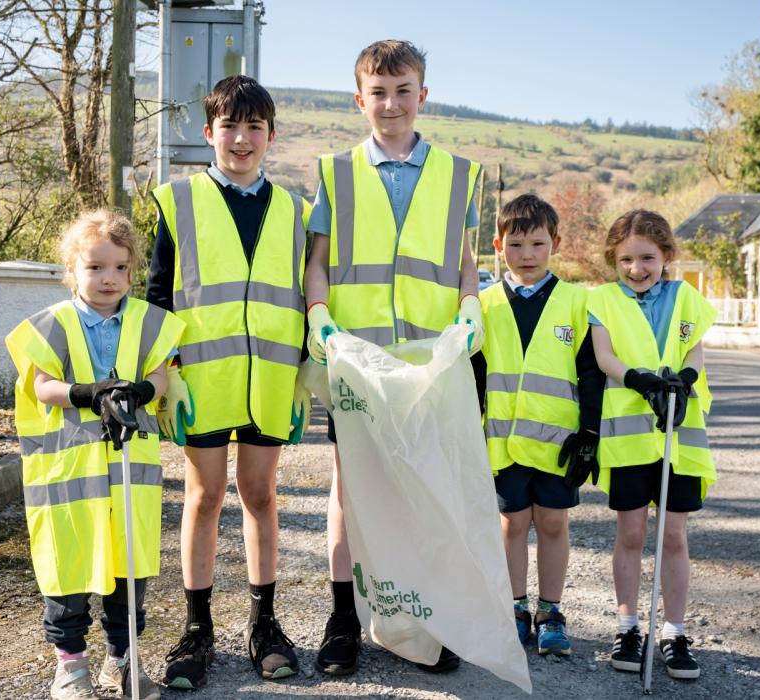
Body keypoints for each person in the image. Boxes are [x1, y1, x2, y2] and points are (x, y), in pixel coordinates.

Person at [302, 39, 483, 676]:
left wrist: (471, 307)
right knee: (352, 495)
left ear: (423, 96)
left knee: (422, 491)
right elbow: (318, 262)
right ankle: (344, 620)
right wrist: (317, 315)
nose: (391, 102)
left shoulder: (460, 174)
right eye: (378, 92)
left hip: (428, 365)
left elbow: (465, 264)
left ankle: (422, 622)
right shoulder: (334, 171)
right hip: (355, 363)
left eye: (404, 90)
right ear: (360, 100)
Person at [145, 74, 311, 689]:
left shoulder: (296, 210)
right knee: (205, 497)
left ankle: (265, 624)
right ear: (209, 132)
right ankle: (197, 631)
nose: (241, 140)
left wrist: (304, 368)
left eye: (255, 128)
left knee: (262, 496)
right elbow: (157, 293)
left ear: (270, 135)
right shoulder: (178, 200)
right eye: (230, 127)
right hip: (202, 380)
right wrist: (162, 372)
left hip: (270, 380)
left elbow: (303, 293)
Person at [5, 209, 185, 700]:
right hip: (67, 473)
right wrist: (89, 393)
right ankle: (70, 667)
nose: (110, 278)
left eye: (121, 268)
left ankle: (122, 662)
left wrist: (146, 389)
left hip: (130, 471)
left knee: (130, 570)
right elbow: (42, 387)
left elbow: (162, 373)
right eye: (96, 267)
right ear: (72, 271)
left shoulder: (151, 323)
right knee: (67, 569)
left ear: (133, 270)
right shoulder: (49, 326)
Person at [586, 209, 717, 681]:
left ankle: (675, 631)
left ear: (666, 256)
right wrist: (638, 379)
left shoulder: (687, 297)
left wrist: (684, 379)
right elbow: (604, 356)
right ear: (613, 260)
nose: (636, 269)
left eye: (647, 258)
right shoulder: (602, 299)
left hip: (679, 437)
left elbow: (694, 352)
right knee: (632, 534)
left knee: (674, 536)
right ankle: (627, 626)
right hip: (629, 440)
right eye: (625, 260)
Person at [472, 194, 604, 658]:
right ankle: (514, 609)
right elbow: (474, 375)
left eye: (537, 244)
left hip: (559, 445)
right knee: (512, 525)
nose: (527, 255)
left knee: (552, 524)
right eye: (516, 245)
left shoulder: (575, 302)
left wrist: (592, 434)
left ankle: (551, 612)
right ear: (498, 246)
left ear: (556, 244)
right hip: (504, 444)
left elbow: (591, 373)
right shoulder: (483, 304)